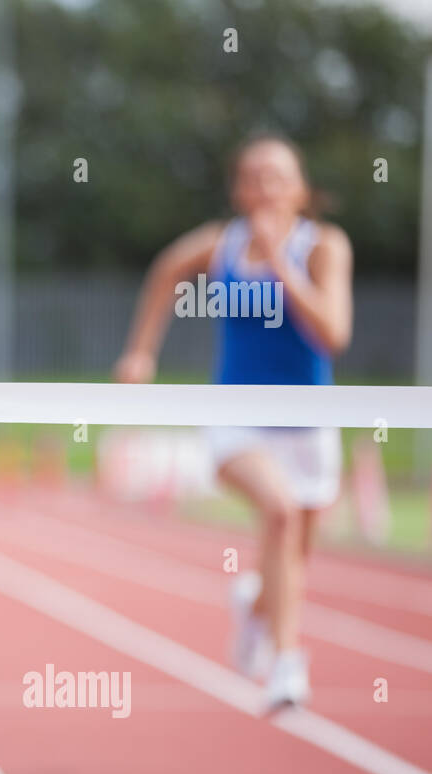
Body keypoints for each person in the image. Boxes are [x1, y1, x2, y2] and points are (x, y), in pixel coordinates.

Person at [115, 133, 353, 708]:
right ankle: (289, 664)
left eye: (278, 176)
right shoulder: (220, 245)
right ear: (239, 189)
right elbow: (165, 272)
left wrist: (280, 265)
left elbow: (333, 334)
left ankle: (254, 607)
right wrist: (141, 350)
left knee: (291, 557)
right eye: (253, 176)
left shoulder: (323, 246)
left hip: (310, 422)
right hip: (236, 417)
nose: (265, 186)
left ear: (300, 188)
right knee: (280, 513)